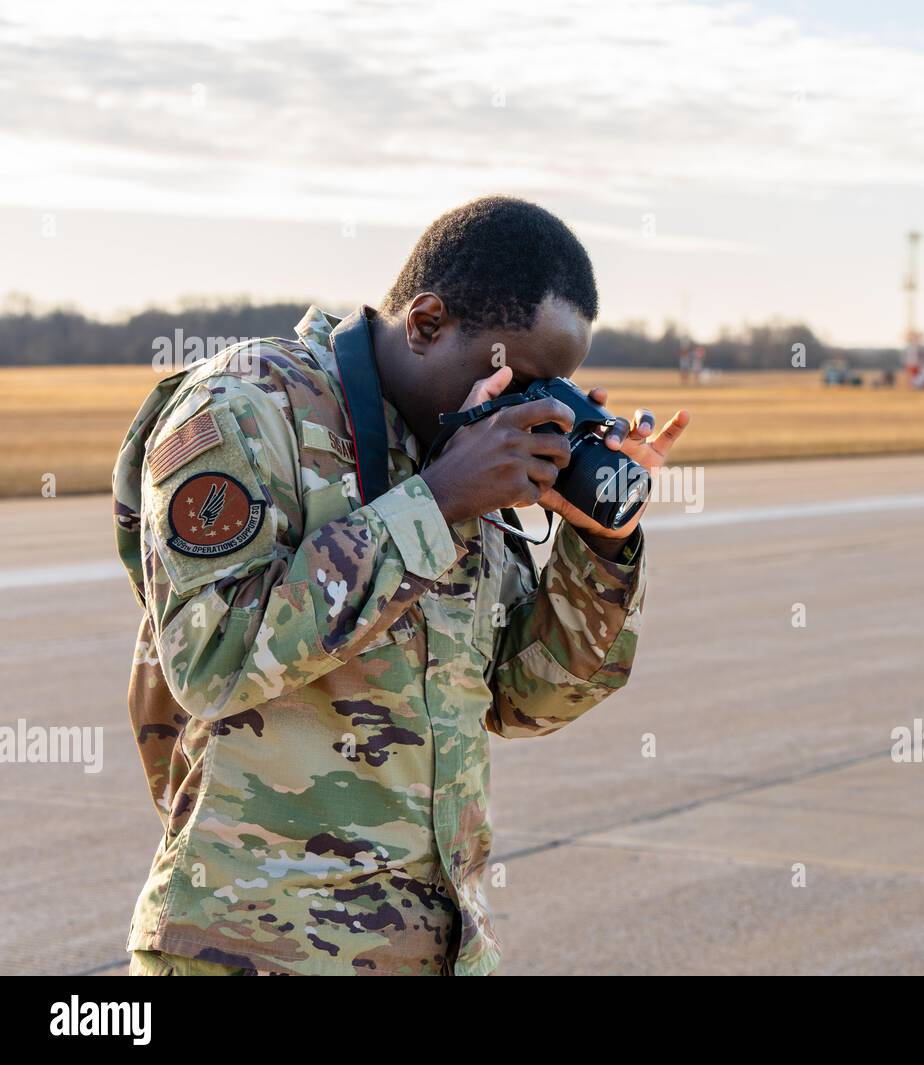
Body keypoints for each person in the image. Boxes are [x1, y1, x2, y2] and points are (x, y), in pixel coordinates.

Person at [112, 196, 690, 975]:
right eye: (520, 380)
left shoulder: (461, 445)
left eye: (555, 391)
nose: (529, 411)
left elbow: (525, 696)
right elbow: (211, 658)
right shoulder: (246, 407)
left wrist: (598, 546)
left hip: (438, 951)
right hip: (249, 949)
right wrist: (439, 502)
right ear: (425, 323)